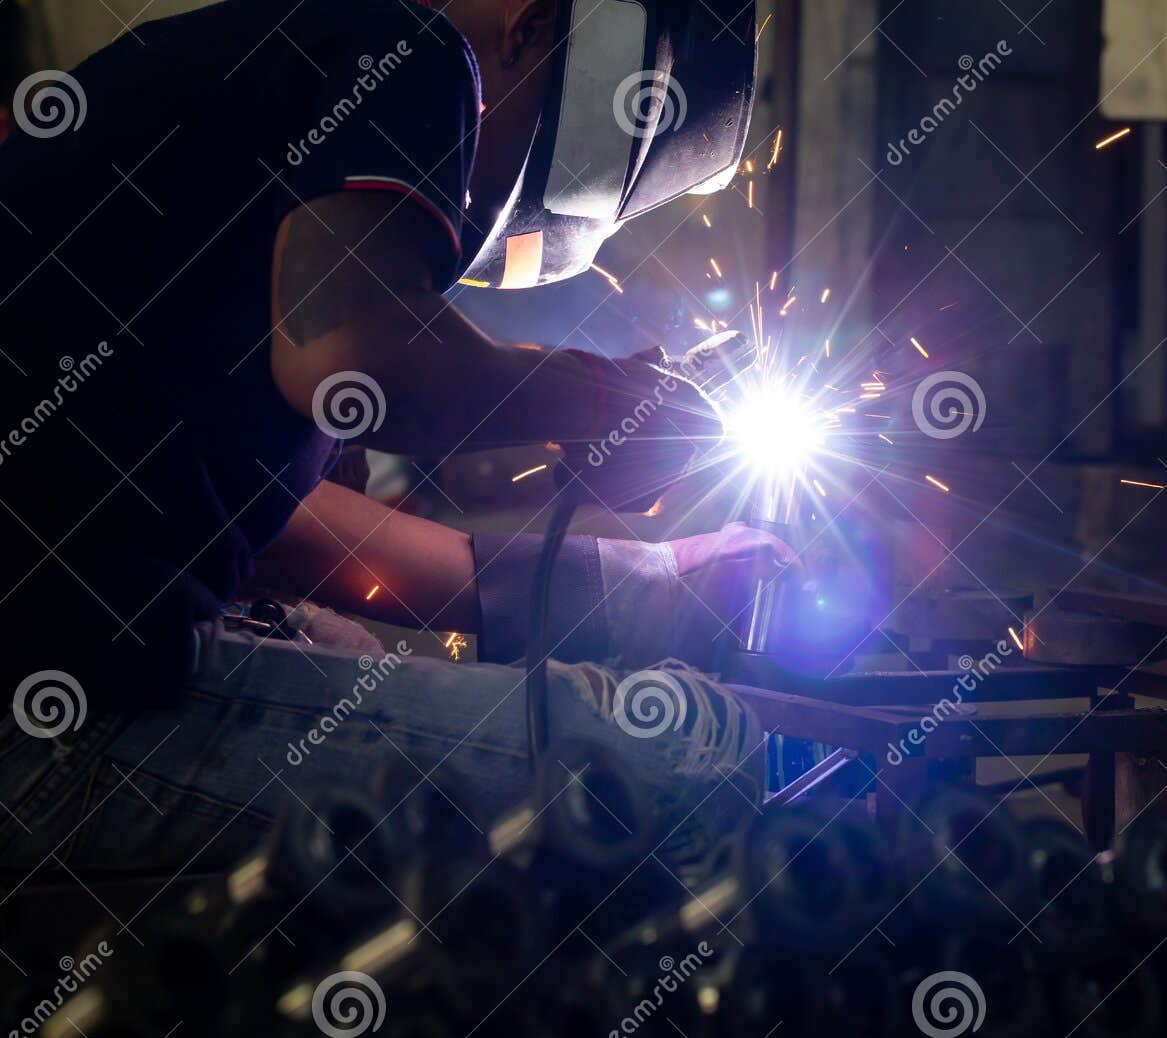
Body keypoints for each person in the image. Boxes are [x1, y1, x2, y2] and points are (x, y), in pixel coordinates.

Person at [0, 0, 786, 875]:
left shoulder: (247, 98)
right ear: (527, 28)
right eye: (543, 175)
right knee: (681, 760)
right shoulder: (410, 48)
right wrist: (606, 399)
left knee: (351, 655)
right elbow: (353, 354)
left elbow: (284, 532)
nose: (483, 207)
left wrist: (641, 585)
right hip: (54, 703)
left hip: (50, 670)